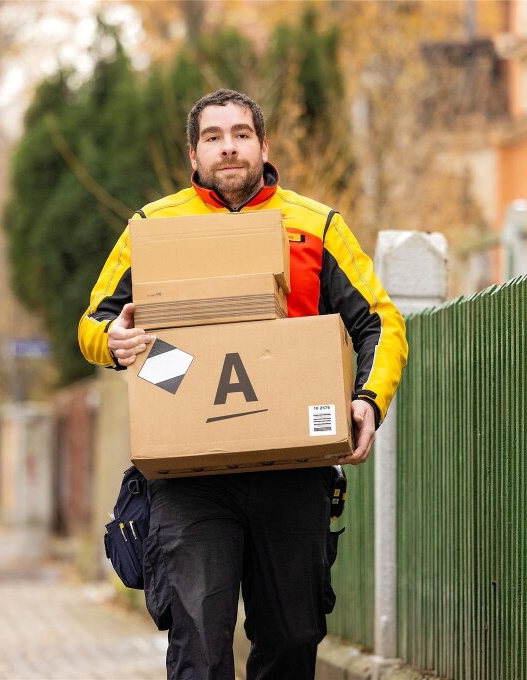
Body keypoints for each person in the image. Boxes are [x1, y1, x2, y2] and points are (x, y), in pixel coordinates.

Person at [77, 89, 407, 680]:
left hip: (293, 470)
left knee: (293, 638)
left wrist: (367, 401)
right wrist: (115, 341)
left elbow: (379, 323)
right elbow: (94, 323)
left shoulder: (316, 226)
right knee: (199, 645)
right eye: (213, 137)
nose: (228, 147)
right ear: (193, 154)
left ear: (263, 146)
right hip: (189, 476)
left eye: (241, 134)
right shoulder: (153, 227)